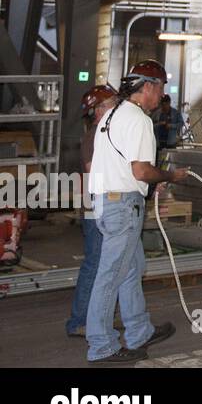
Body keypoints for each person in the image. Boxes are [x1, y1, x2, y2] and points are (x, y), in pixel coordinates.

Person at [85, 60, 189, 365]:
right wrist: (170, 177)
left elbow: (119, 166)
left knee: (130, 269)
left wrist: (140, 185)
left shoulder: (112, 115)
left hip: (107, 201)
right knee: (110, 277)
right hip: (122, 207)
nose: (162, 95)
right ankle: (101, 345)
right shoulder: (139, 120)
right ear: (148, 87)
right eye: (160, 88)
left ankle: (139, 330)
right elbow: (141, 170)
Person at [67, 84, 118, 338]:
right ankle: (78, 321)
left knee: (105, 264)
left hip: (101, 205)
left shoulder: (105, 135)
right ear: (98, 111)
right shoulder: (93, 138)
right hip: (96, 208)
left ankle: (99, 316)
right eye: (111, 104)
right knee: (94, 263)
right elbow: (94, 175)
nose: (116, 108)